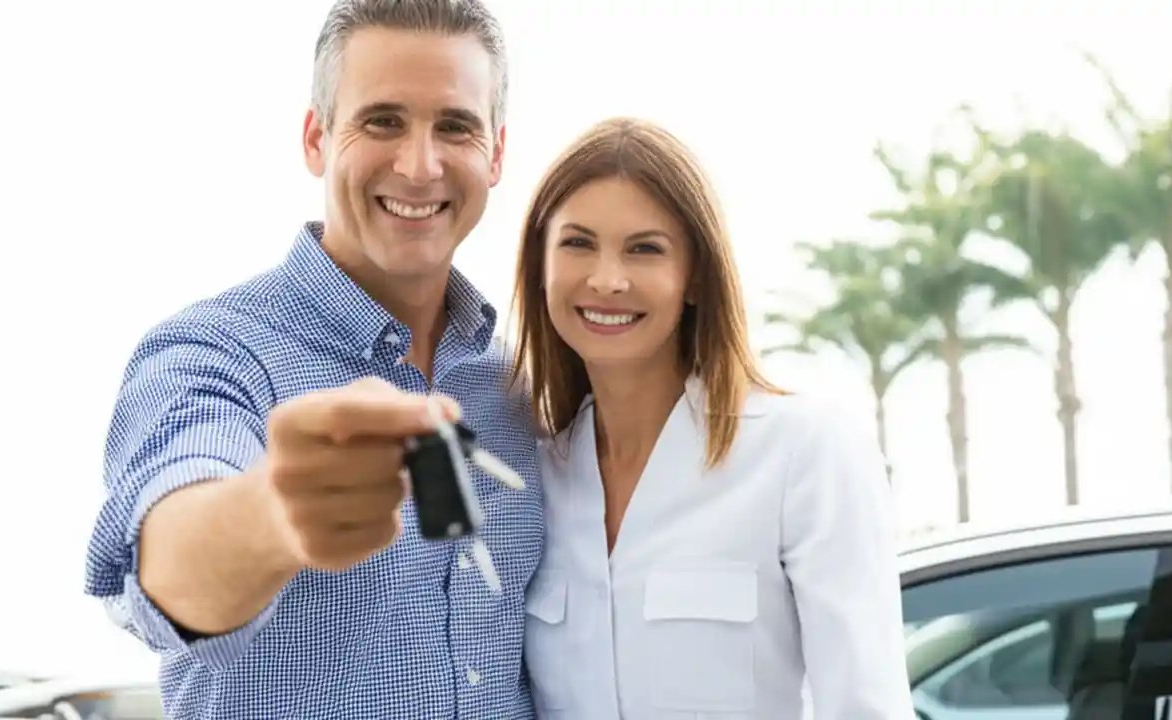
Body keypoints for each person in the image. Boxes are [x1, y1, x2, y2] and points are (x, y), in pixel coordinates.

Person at [81, 1, 543, 718]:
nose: (420, 166)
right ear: (316, 137)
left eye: (455, 126)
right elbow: (164, 556)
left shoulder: (518, 387)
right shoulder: (211, 353)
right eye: (382, 120)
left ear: (497, 155)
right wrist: (272, 515)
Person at [509, 117, 915, 719]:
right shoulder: (533, 475)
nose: (607, 279)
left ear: (695, 275)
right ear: (541, 262)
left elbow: (865, 706)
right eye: (578, 243)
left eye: (644, 248)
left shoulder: (804, 453)